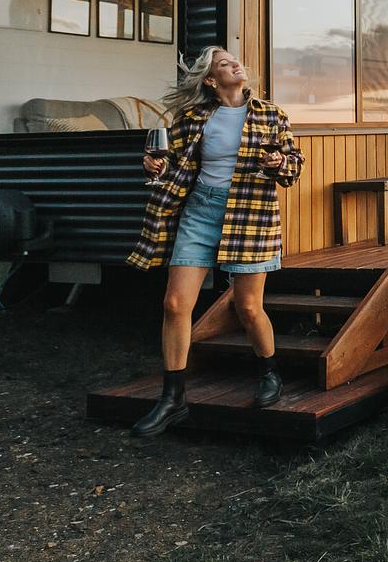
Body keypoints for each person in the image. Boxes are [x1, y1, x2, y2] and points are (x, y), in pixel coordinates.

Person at [124, 46, 303, 437]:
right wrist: (154, 165)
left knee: (248, 307)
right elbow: (171, 161)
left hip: (250, 213)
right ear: (210, 79)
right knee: (174, 303)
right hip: (201, 211)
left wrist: (278, 164)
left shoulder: (271, 115)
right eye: (224, 63)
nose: (235, 64)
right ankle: (173, 399)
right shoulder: (192, 118)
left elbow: (293, 168)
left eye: (235, 60)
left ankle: (270, 373)